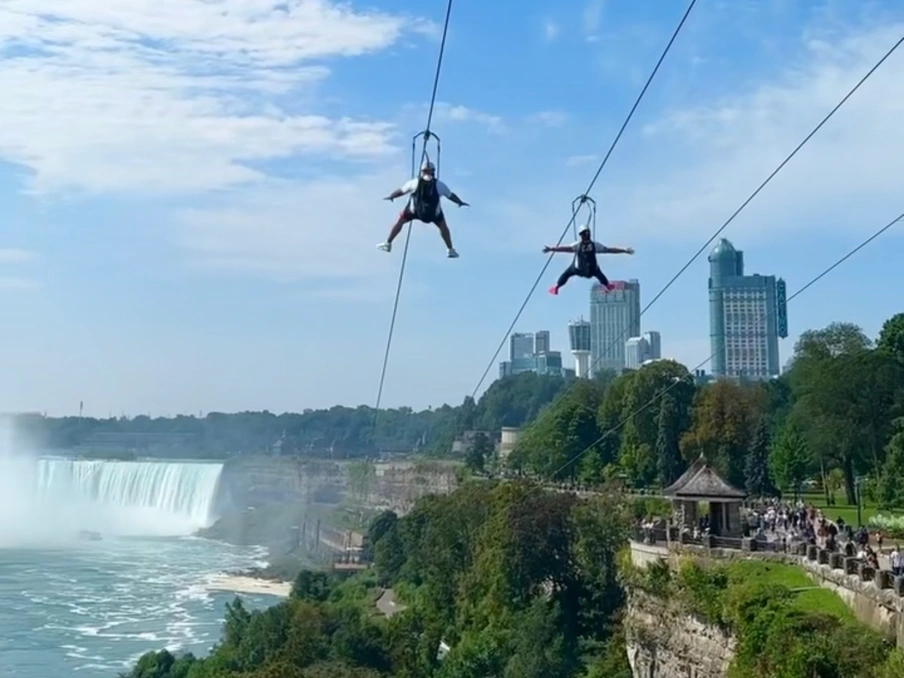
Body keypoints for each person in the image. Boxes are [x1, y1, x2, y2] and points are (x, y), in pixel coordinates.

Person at [377, 160, 468, 258]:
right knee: (443, 227)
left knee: (400, 221)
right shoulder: (439, 185)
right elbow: (450, 196)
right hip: (433, 214)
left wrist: (392, 196)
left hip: (413, 211)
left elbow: (401, 191)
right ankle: (450, 249)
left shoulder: (414, 182)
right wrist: (459, 202)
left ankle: (388, 243)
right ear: (433, 171)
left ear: (422, 171)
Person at [543, 225, 634, 295]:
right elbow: (565, 248)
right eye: (584, 235)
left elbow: (609, 250)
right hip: (579, 269)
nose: (586, 236)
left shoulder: (594, 245)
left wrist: (624, 250)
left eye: (587, 234)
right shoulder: (578, 245)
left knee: (597, 273)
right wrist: (552, 249)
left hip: (589, 270)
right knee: (567, 273)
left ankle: (607, 285)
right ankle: (557, 286)